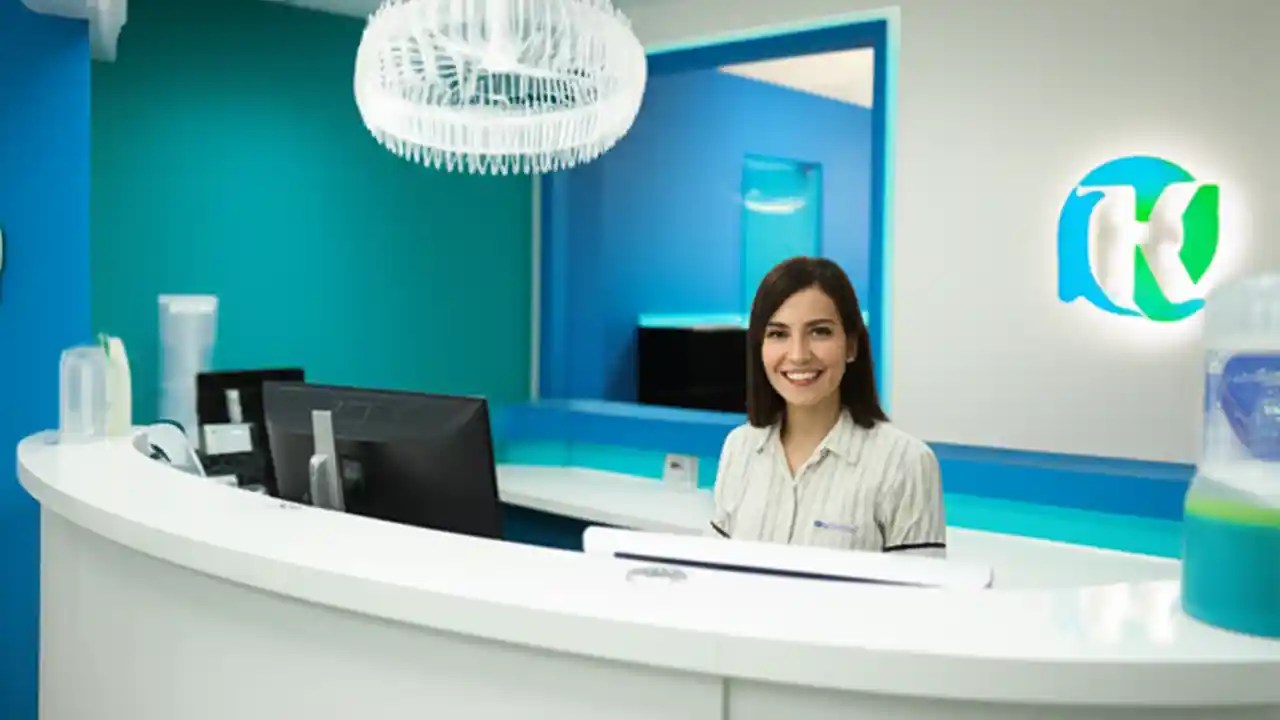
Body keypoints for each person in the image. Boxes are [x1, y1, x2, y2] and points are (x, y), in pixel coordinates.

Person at [708, 257, 947, 557]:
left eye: (819, 332)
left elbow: (920, 600)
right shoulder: (739, 449)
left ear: (851, 346)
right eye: (778, 334)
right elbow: (718, 580)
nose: (798, 355)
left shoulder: (905, 463)